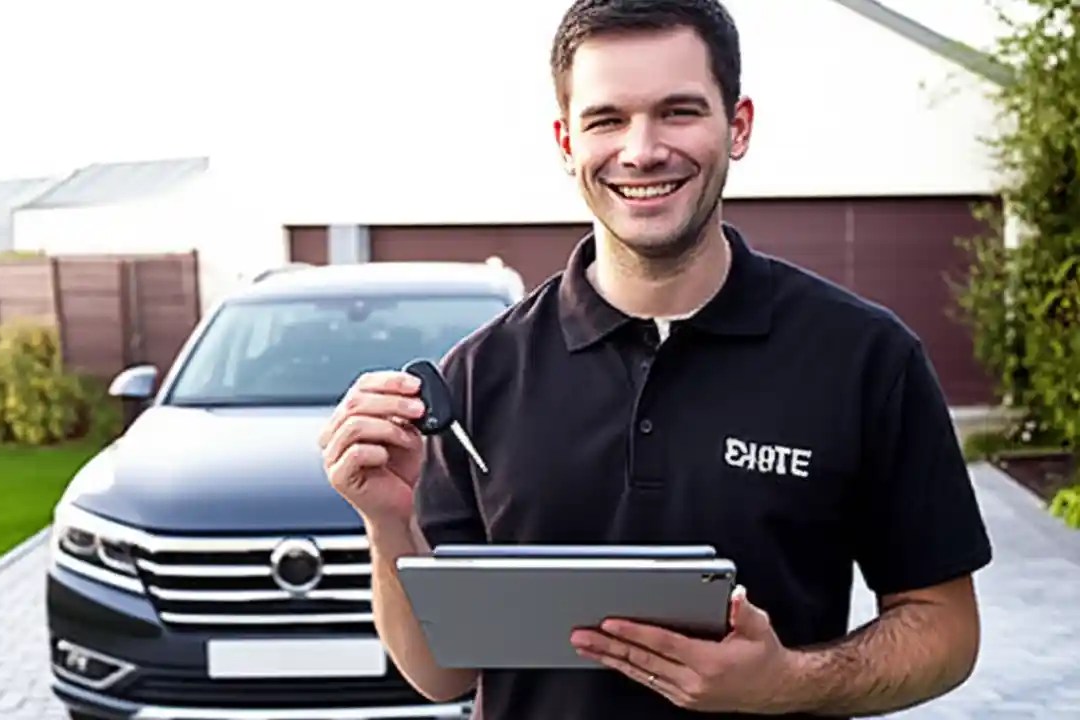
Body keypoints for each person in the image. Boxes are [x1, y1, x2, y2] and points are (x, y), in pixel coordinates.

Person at [317, 0, 993, 718]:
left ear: (738, 127)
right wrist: (388, 525)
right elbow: (441, 676)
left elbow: (946, 628)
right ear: (565, 141)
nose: (641, 150)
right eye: (606, 119)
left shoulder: (866, 359)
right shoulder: (480, 377)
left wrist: (785, 682)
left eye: (678, 111)